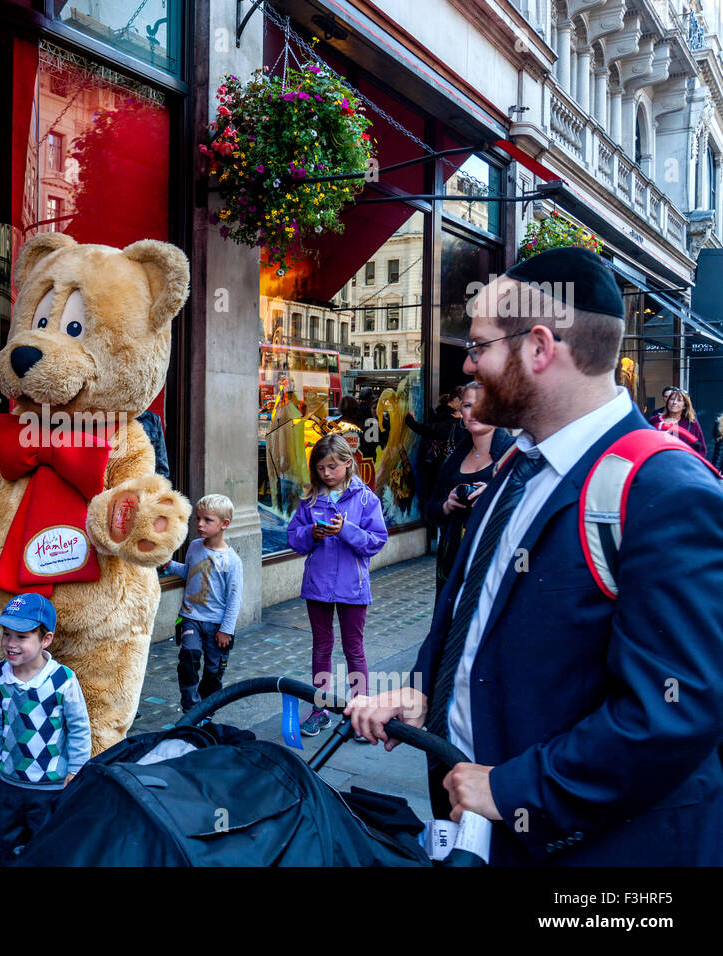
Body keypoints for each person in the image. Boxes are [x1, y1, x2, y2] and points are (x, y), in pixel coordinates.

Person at [347, 247, 723, 865]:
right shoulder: (516, 466)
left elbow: (673, 713)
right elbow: (474, 619)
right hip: (484, 835)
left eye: (479, 347)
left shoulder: (665, 489)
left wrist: (514, 788)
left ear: (539, 347)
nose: (468, 368)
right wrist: (420, 695)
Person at [286, 433, 389, 737]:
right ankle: (320, 709)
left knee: (353, 649)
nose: (326, 474)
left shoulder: (366, 498)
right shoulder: (310, 499)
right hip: (318, 584)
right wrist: (311, 535)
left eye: (332, 467)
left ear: (348, 463)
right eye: (320, 469)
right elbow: (294, 538)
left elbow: (376, 541)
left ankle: (360, 712)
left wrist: (346, 530)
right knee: (321, 646)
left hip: (352, 587)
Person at [0, 593, 91, 864]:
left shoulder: (62, 679)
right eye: (6, 634)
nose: (10, 644)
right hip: (9, 783)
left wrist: (76, 769)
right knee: (7, 840)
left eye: (21, 637)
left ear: (45, 640)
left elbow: (79, 728)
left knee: (46, 847)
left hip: (50, 786)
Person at [424, 382, 513, 599]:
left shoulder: (513, 453)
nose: (474, 413)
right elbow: (431, 510)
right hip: (452, 559)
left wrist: (493, 494)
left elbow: (528, 507)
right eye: (467, 406)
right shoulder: (454, 459)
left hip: (491, 558)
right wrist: (447, 505)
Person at [166, 493, 244, 712]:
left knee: (213, 670)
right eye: (198, 519)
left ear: (224, 524)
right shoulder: (194, 546)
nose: (200, 524)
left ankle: (206, 710)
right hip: (191, 617)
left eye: (207, 520)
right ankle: (190, 708)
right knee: (188, 659)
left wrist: (226, 630)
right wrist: (169, 565)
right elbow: (189, 573)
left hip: (217, 626)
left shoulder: (232, 561)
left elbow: (234, 598)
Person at [647, 386, 707, 455]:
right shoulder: (655, 420)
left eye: (679, 400)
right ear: (667, 402)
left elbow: (701, 449)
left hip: (682, 463)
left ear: (684, 405)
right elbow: (647, 442)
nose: (674, 402)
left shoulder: (692, 423)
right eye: (672, 399)